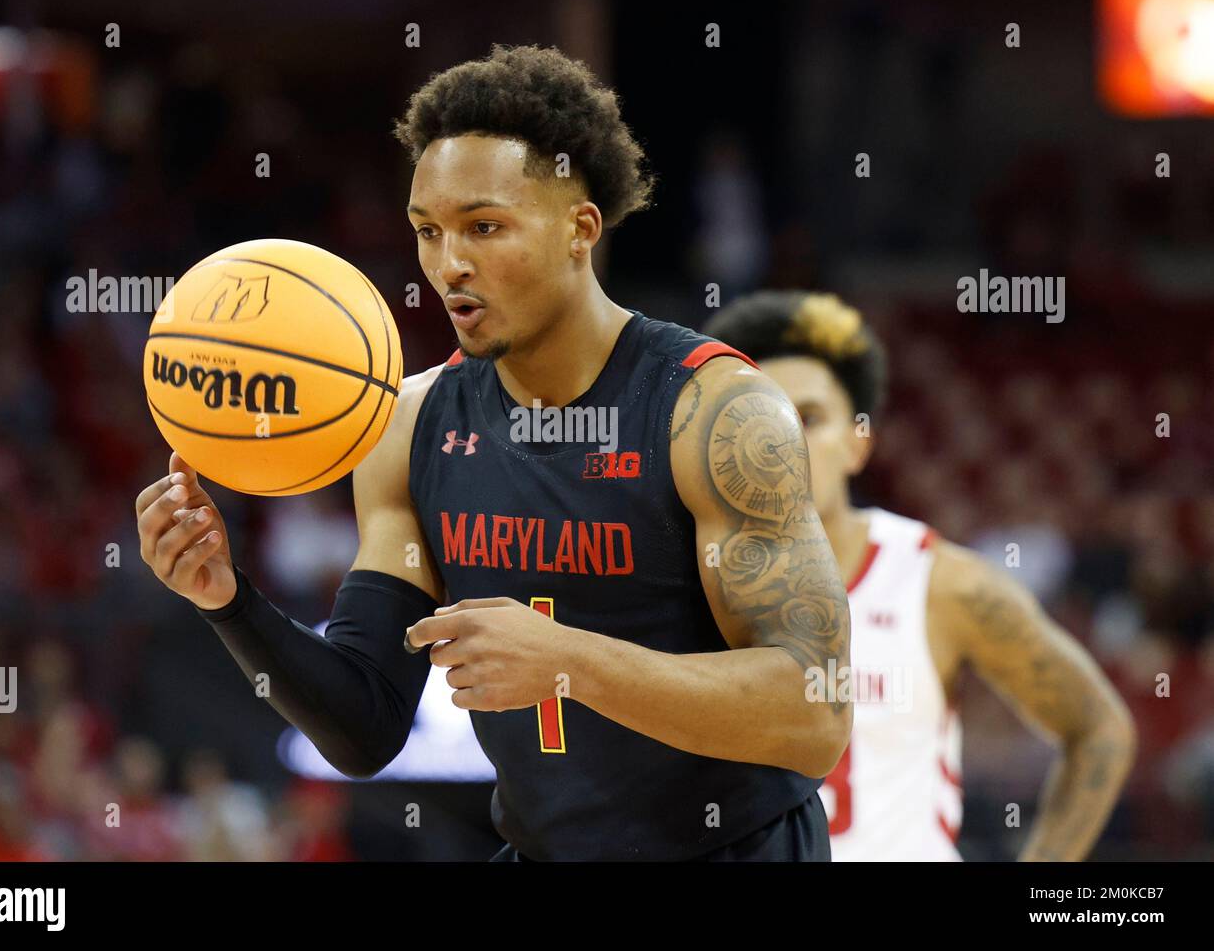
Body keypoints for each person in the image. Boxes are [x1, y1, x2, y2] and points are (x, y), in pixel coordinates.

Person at [135, 46, 851, 861]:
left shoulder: (711, 411)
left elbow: (813, 712)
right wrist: (228, 600)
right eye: (427, 232)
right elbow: (365, 728)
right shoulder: (406, 424)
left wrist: (570, 663)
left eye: (483, 227)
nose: (449, 265)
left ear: (581, 229)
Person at [703, 290, 1137, 860]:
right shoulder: (682, 582)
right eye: (759, 418)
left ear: (859, 443)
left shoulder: (939, 582)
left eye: (807, 417)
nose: (780, 441)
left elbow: (1099, 728)